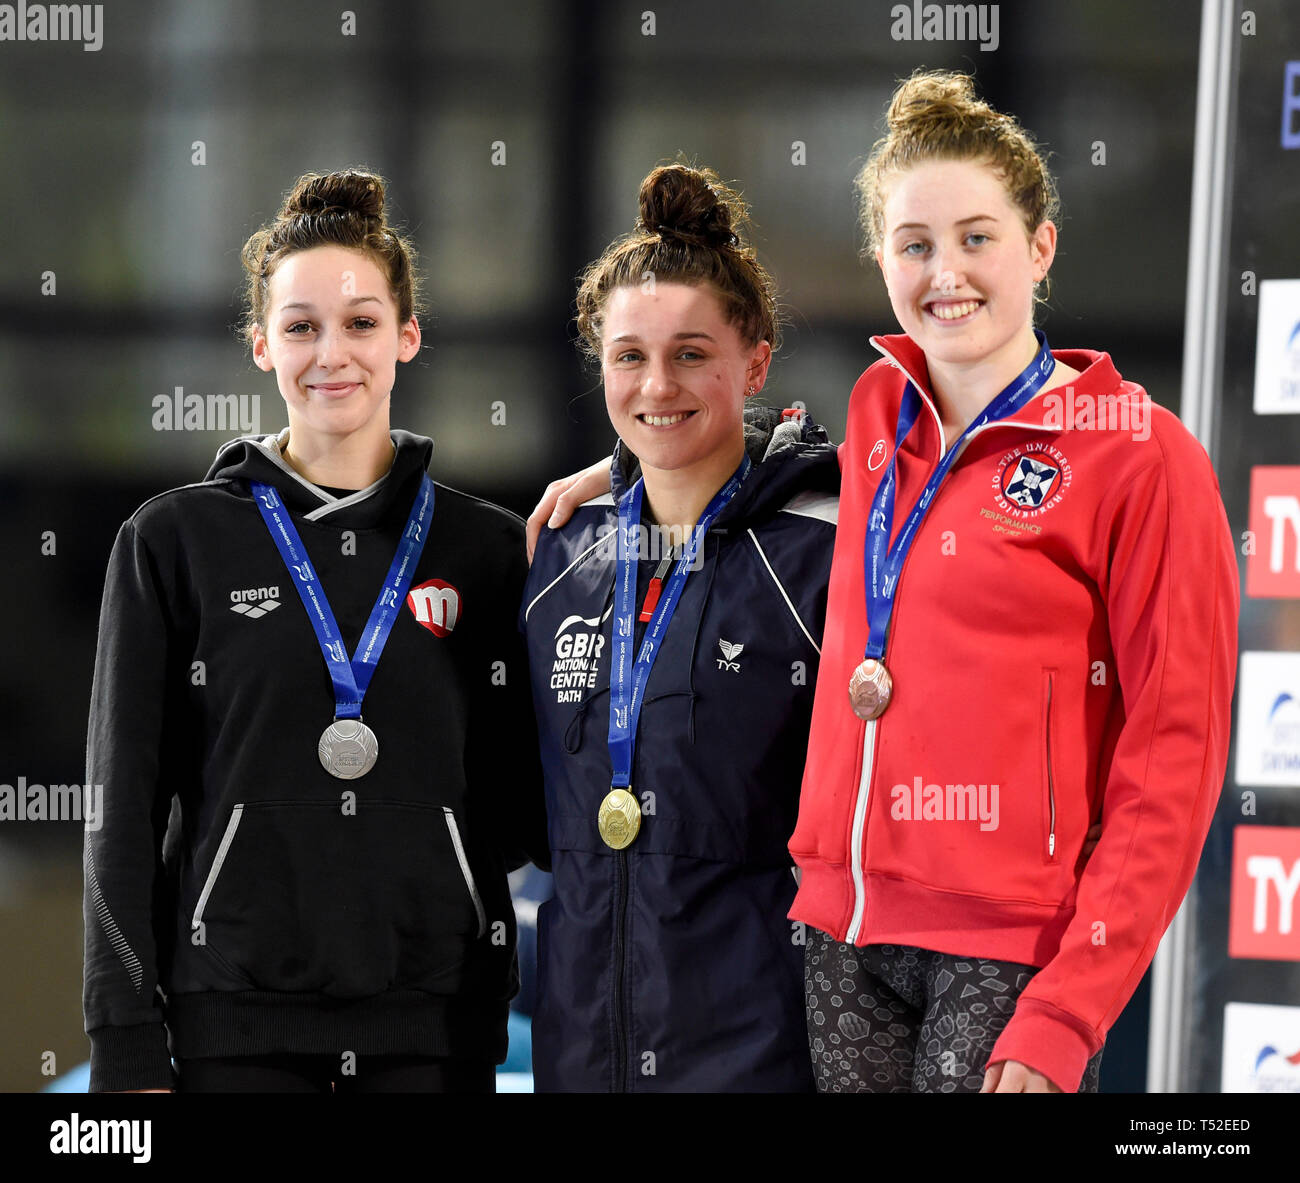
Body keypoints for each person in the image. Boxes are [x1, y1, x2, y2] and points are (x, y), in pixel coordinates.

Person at [529, 71, 1237, 1095]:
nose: (944, 271)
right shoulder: (872, 420)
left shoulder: (1138, 455)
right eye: (914, 244)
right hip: (840, 939)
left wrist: (1070, 1007)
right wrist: (632, 470)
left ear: (1040, 247)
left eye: (976, 237)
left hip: (1002, 948)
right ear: (882, 259)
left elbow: (1171, 762)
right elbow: (746, 443)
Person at [82, 168, 547, 1093]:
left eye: (362, 322)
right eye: (300, 326)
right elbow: (120, 815)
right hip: (232, 1027)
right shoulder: (175, 543)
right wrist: (123, 1038)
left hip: (437, 1027)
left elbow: (527, 808)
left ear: (407, 335)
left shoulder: (488, 549)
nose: (332, 352)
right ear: (261, 344)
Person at [520, 162, 840, 1091]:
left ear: (756, 360)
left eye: (693, 353)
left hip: (762, 1060)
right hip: (582, 1059)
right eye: (629, 355)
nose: (658, 383)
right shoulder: (558, 558)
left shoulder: (828, 554)